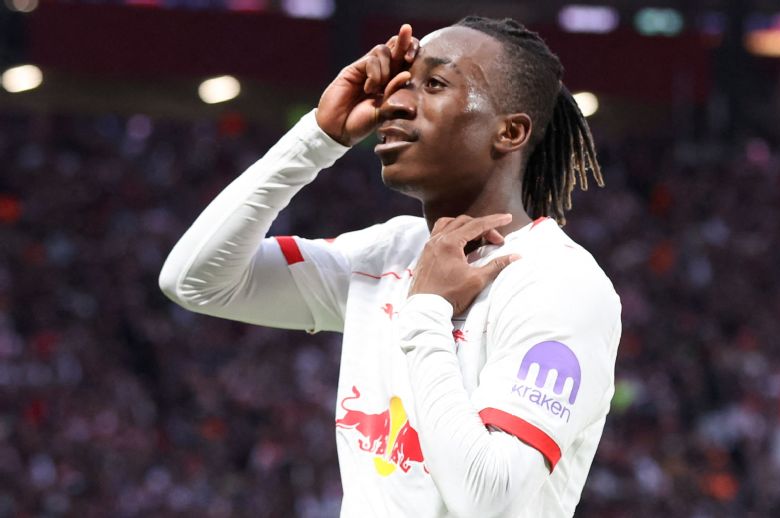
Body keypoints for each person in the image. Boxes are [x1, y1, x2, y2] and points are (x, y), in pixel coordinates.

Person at [159, 17, 621, 517]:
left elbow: (489, 500)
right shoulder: (387, 252)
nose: (395, 101)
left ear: (509, 132)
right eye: (403, 82)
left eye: (434, 84)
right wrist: (317, 138)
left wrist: (425, 311)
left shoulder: (558, 282)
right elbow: (195, 281)